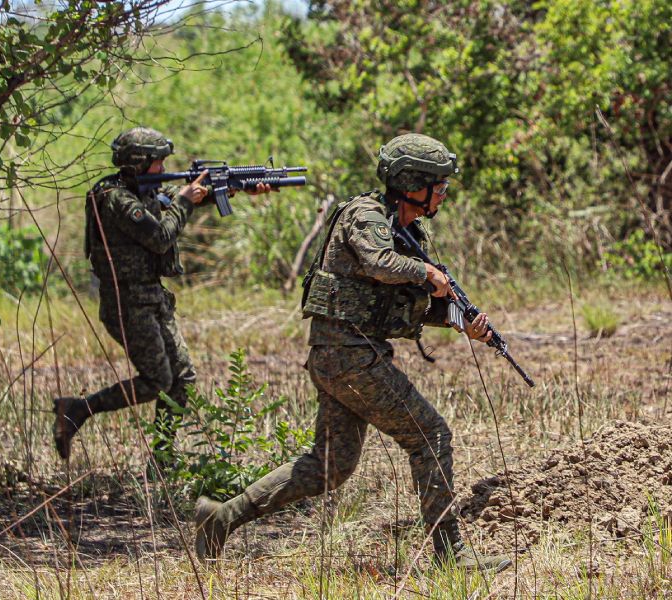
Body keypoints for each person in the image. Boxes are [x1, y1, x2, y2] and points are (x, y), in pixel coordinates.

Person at [193, 133, 512, 572]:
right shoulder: (366, 217)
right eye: (438, 184)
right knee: (431, 436)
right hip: (349, 357)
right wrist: (426, 272)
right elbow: (382, 265)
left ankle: (222, 517)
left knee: (331, 466)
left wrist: (461, 322)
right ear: (410, 182)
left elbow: (398, 302)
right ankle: (451, 555)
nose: (443, 193)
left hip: (343, 356)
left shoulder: (404, 230)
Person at [53, 127, 268, 464]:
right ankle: (78, 409)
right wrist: (186, 200)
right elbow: (161, 236)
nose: (163, 168)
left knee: (182, 378)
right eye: (158, 162)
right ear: (139, 163)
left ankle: (164, 457)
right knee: (156, 381)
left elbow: (177, 195)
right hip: (127, 303)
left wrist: (234, 187)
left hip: (152, 297)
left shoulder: (146, 192)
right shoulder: (116, 199)